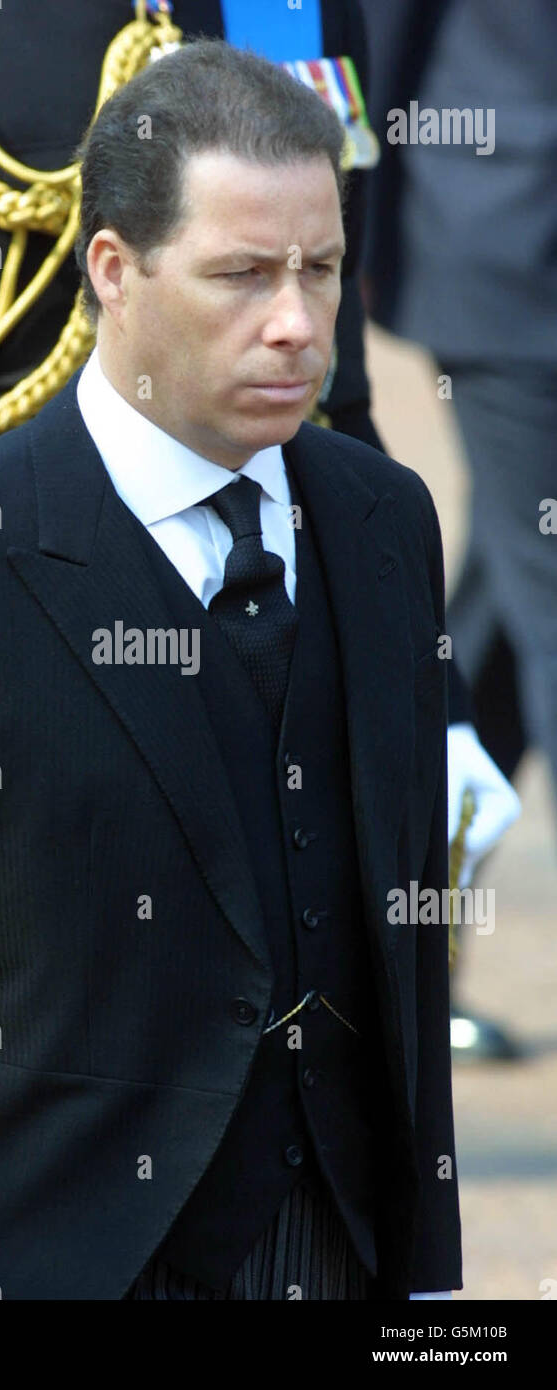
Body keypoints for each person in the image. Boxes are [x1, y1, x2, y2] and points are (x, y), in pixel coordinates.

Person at [0, 38, 461, 1300]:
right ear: (113, 272)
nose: (297, 324)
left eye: (321, 269)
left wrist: (430, 1281)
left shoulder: (384, 522)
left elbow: (398, 952)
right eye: (241, 275)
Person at [360, 0, 555, 1055]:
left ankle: (400, 950)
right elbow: (377, 31)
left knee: (499, 610)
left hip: (505, 236)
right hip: (511, 248)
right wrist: (346, 222)